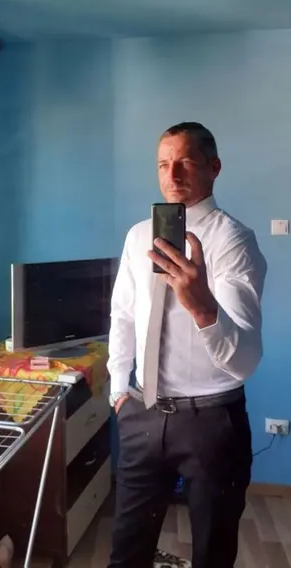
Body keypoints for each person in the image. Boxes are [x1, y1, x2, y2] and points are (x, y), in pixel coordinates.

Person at [107, 122, 267, 568]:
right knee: (126, 552)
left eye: (185, 162)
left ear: (214, 168)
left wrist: (203, 308)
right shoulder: (138, 236)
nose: (172, 174)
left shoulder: (233, 240)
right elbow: (123, 314)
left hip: (211, 421)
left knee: (212, 552)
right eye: (163, 164)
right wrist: (118, 389)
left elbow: (246, 361)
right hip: (142, 412)